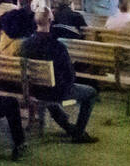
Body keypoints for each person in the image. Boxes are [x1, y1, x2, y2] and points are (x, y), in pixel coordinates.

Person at [20, 10, 98, 142]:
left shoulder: (25, 44)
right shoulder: (58, 46)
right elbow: (70, 75)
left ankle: (68, 127)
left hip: (33, 89)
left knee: (49, 92)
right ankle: (78, 133)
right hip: (55, 91)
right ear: (51, 21)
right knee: (91, 93)